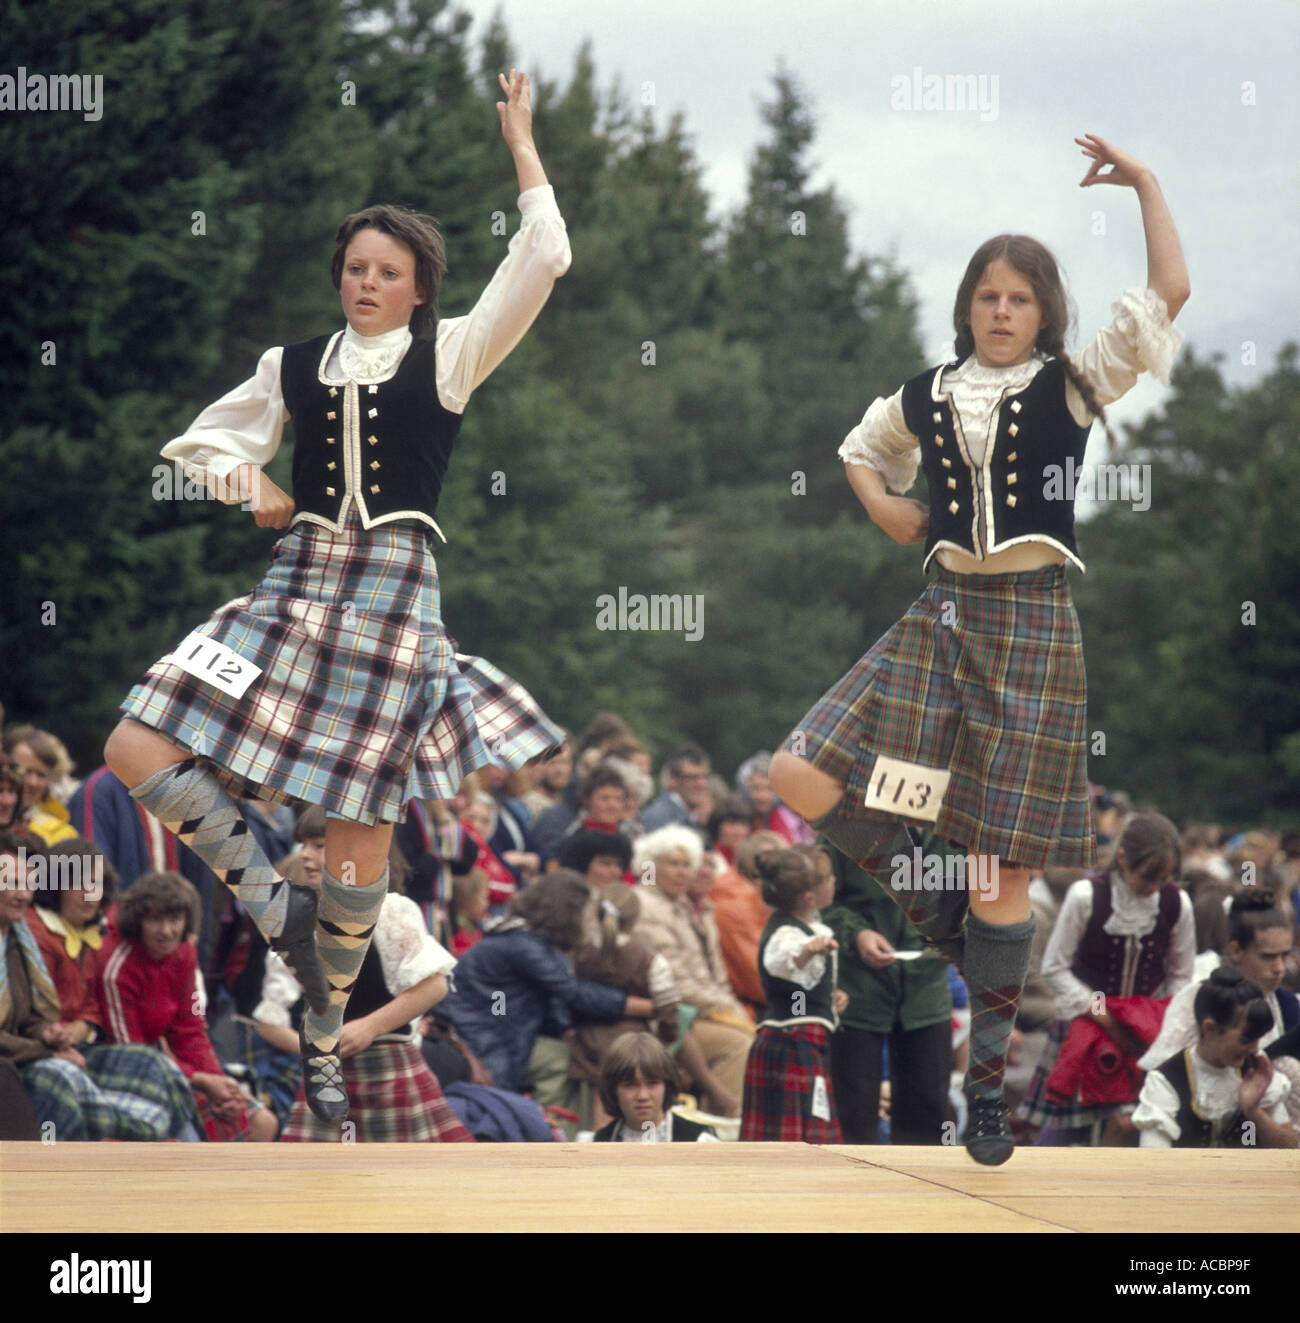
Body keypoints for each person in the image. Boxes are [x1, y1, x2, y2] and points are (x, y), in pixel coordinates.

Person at [100, 71, 570, 1123]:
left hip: (396, 595)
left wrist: (522, 147)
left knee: (362, 843)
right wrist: (253, 483)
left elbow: (542, 256)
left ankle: (323, 1026)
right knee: (137, 742)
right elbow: (202, 442)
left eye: (386, 270)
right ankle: (275, 913)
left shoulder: (451, 355)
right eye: (354, 267)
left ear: (417, 288)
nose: (365, 282)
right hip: (294, 588)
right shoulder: (294, 363)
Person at [768, 135, 1189, 1163]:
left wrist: (1142, 182)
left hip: (1036, 624)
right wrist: (884, 508)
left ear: (1043, 312)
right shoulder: (925, 392)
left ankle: (988, 1086)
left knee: (999, 876)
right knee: (798, 768)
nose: (1000, 311)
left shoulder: (1075, 384)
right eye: (986, 297)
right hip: (941, 621)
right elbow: (861, 451)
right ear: (967, 306)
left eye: (1018, 298)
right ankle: (934, 899)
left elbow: (1168, 290)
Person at [255, 858, 473, 1143]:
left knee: (410, 1180)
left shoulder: (387, 912)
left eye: (320, 845)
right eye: (305, 843)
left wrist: (369, 1027)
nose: (307, 854)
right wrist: (316, 1048)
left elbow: (434, 985)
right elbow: (269, 1022)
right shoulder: (297, 927)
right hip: (327, 1079)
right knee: (317, 1181)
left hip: (390, 1071)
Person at [1017, 812, 1194, 1145]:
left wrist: (1157, 1023)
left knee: (1129, 1126)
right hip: (1086, 1021)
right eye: (1147, 877)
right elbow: (1055, 967)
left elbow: (1181, 974)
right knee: (1062, 1128)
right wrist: (1105, 1016)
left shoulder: (1176, 903)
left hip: (1145, 1030)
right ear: (1123, 859)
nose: (1154, 887)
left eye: (1164, 878)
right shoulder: (1086, 896)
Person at [99, 871, 278, 1141]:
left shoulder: (184, 953)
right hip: (124, 1070)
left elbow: (191, 1031)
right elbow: (132, 1054)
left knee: (262, 1122)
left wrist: (220, 1085)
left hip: (171, 1066)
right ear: (138, 921)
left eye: (175, 920)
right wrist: (203, 1081)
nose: (167, 931)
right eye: (156, 920)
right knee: (185, 1143)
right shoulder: (117, 965)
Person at [740, 848, 844, 1142]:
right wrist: (807, 950)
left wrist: (832, 998)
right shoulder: (787, 934)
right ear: (810, 897)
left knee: (809, 1129)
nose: (834, 881)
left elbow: (803, 982)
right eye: (827, 879)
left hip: (807, 1043)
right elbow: (784, 959)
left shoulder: (810, 927)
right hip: (791, 1046)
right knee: (793, 1139)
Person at [1133, 967, 1295, 1148]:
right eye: (1245, 1039)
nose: (1255, 1049)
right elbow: (1154, 1160)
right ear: (1210, 1029)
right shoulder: (1167, 1081)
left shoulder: (1255, 1069)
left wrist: (1253, 1111)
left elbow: (1291, 1152)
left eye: (1258, 1039)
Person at [592, 1031, 718, 1143]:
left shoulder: (697, 1139)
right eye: (630, 1085)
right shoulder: (601, 1141)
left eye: (652, 1083)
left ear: (667, 1085)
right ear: (613, 1089)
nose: (642, 1096)